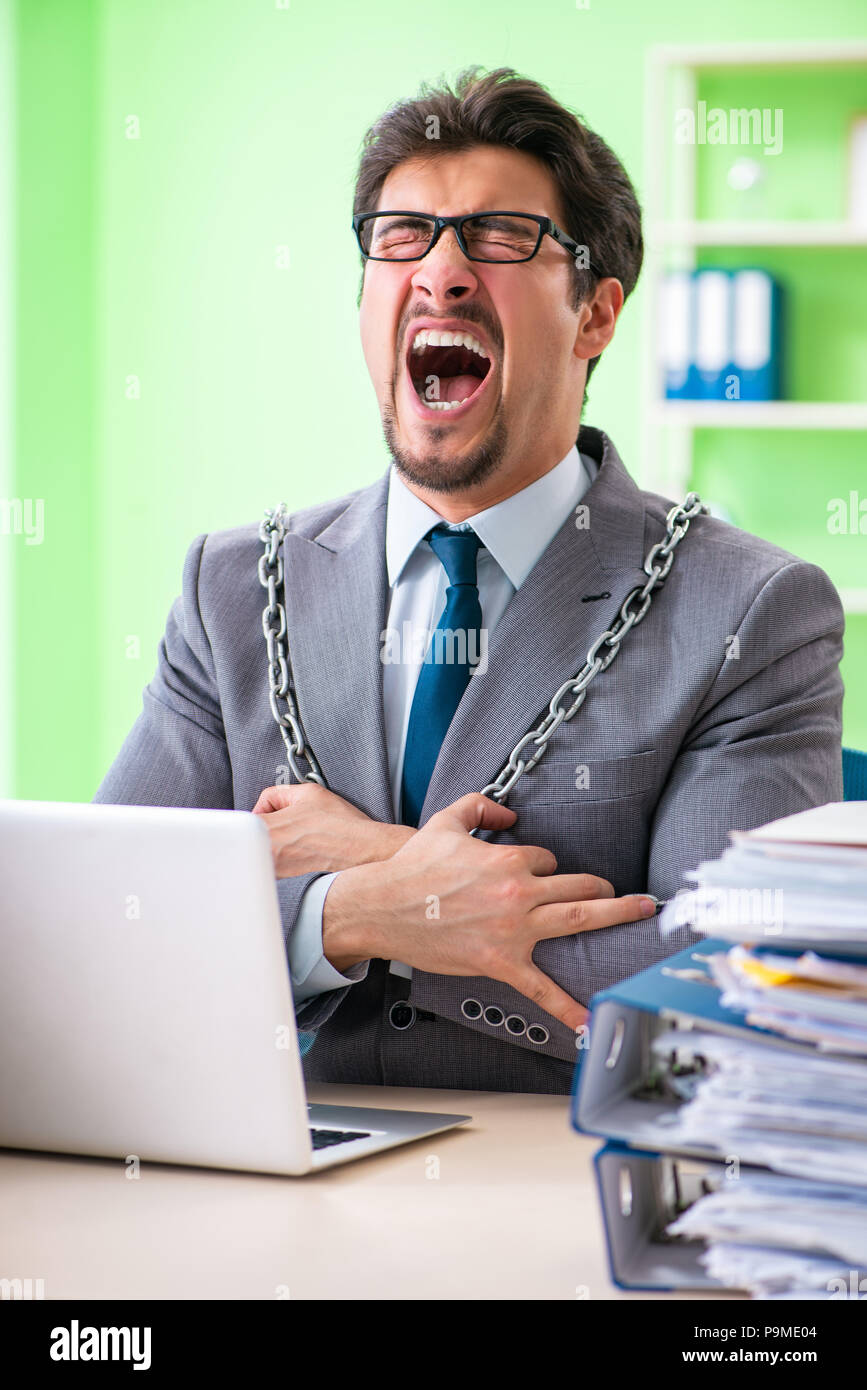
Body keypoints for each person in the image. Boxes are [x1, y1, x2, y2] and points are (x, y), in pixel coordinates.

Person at [94, 66, 844, 1094]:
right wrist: (353, 916)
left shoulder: (751, 612)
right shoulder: (230, 590)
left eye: (499, 237)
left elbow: (728, 993)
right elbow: (109, 926)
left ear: (596, 316)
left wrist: (372, 865)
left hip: (556, 1202)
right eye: (402, 235)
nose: (441, 272)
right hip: (262, 1176)